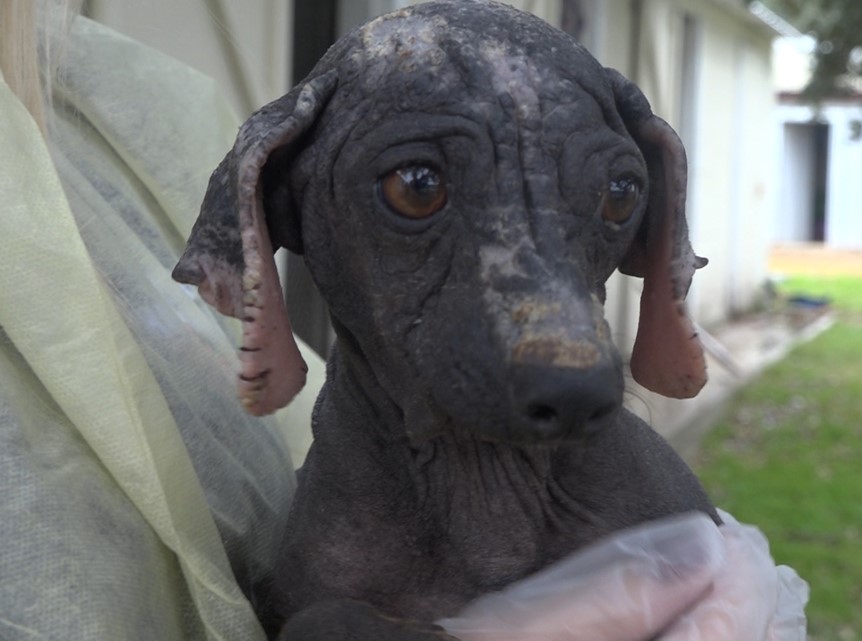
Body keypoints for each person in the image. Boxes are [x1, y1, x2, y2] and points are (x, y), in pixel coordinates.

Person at [0, 1, 808, 639]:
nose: (565, 345)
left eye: (612, 195)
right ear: (270, 210)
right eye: (416, 188)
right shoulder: (328, 558)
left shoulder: (106, 110)